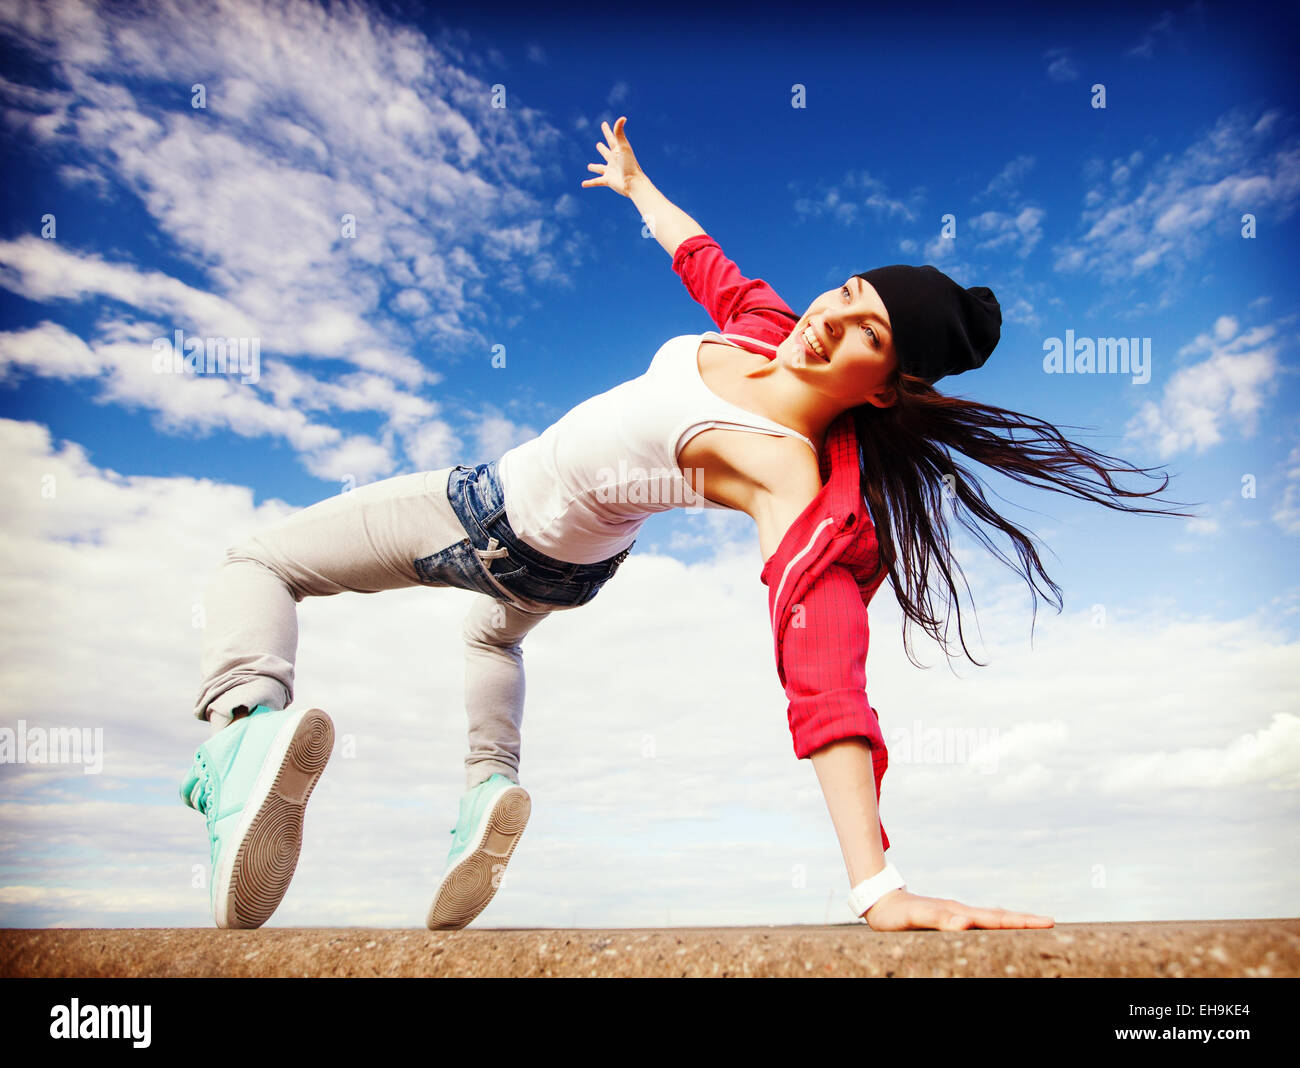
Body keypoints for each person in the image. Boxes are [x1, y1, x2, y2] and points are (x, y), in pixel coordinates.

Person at [179, 116, 1190, 934]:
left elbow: (825, 668)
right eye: (846, 295)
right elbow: (706, 261)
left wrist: (876, 886)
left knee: (256, 563)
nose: (827, 323)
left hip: (493, 514)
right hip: (576, 565)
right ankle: (488, 785)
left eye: (865, 334)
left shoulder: (784, 472)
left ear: (885, 387)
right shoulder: (765, 332)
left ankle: (240, 737)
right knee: (489, 636)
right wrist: (635, 186)